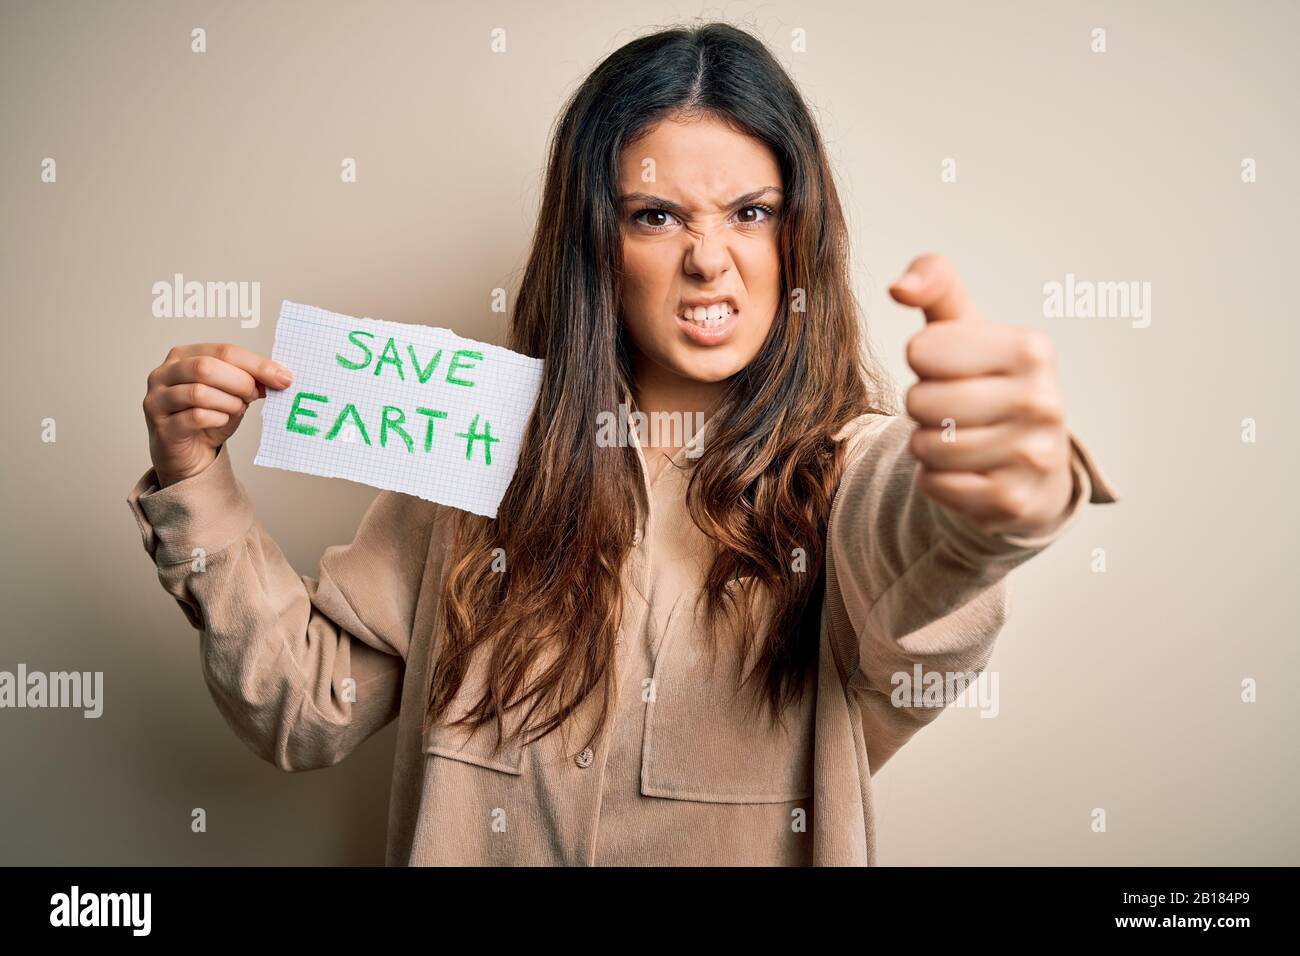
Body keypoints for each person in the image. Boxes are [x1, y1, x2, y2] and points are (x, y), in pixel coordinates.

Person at [127, 22, 1118, 866]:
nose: (707, 258)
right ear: (598, 241)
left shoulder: (845, 471)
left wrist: (982, 499)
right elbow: (305, 709)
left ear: (794, 237)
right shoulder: (473, 442)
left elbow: (913, 534)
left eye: (750, 212)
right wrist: (195, 480)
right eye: (655, 215)